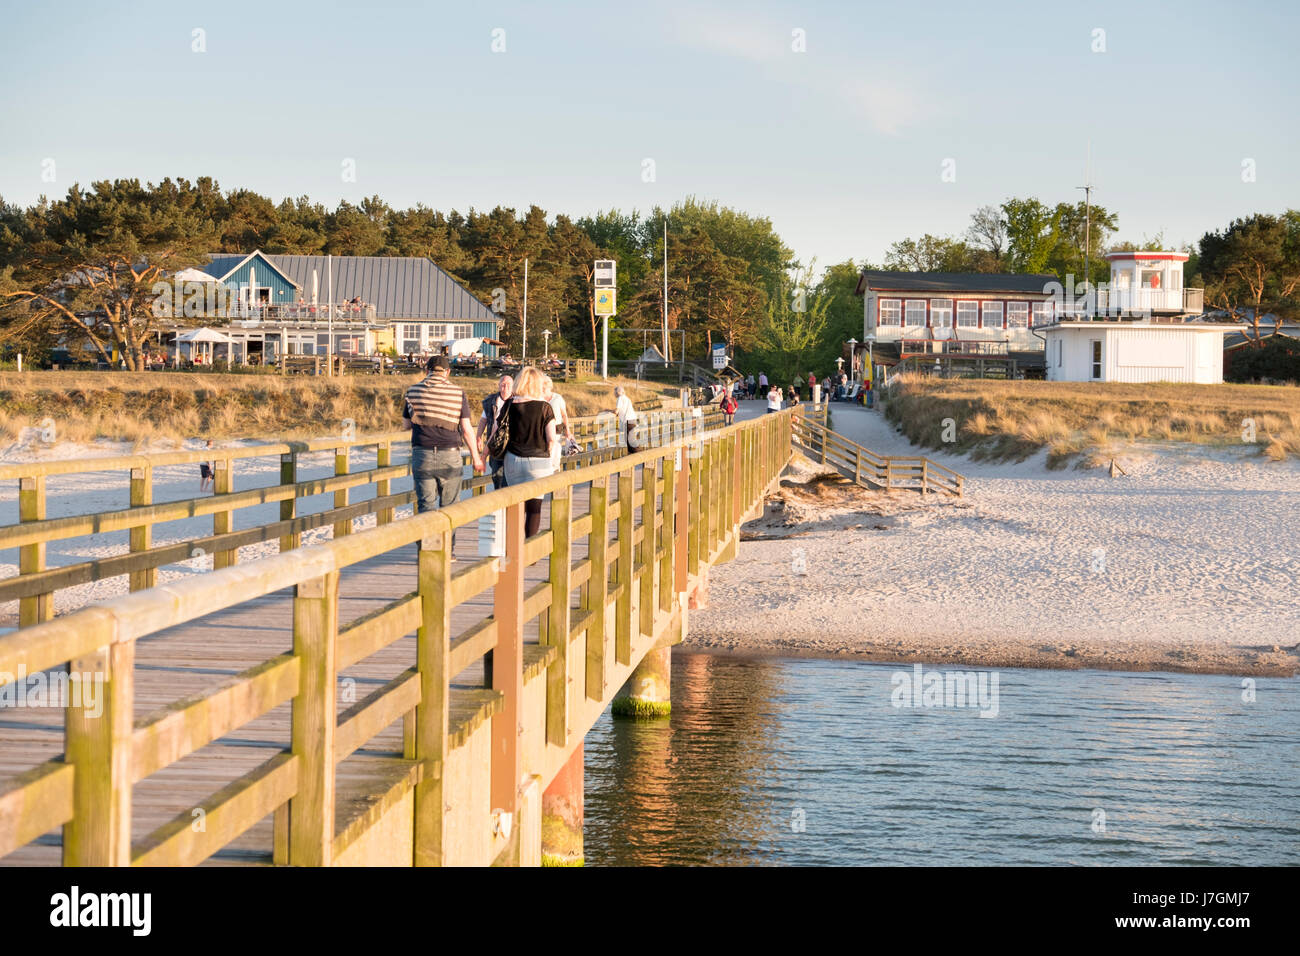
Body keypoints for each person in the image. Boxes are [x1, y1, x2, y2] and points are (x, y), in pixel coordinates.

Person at [403, 354, 483, 518]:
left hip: (422, 453)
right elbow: (466, 429)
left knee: (426, 506)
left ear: (427, 371)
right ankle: (448, 544)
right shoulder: (457, 393)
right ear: (447, 372)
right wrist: (476, 458)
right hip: (449, 454)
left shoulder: (413, 391)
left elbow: (406, 425)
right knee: (450, 508)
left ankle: (426, 544)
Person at [504, 366, 559, 538]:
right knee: (534, 509)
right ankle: (530, 551)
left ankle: (513, 550)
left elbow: (497, 432)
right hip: (538, 461)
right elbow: (551, 439)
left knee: (515, 507)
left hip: (512, 459)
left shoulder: (509, 405)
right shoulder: (545, 407)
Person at [476, 374, 513, 490]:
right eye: (503, 384)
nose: (505, 386)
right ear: (498, 385)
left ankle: (509, 504)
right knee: (497, 476)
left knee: (509, 478)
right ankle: (500, 503)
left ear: (513, 387)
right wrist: (478, 437)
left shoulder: (517, 400)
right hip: (495, 445)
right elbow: (483, 420)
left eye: (508, 384)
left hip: (512, 446)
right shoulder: (490, 401)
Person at [543, 375, 576, 462]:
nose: (542, 387)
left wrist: (567, 431)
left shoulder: (557, 398)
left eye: (544, 385)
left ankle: (555, 471)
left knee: (555, 452)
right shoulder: (539, 398)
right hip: (542, 430)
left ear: (549, 386)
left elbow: (564, 415)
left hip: (556, 429)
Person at [615, 384, 640, 451]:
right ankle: (636, 455)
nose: (614, 394)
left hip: (628, 421)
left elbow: (616, 411)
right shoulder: (627, 398)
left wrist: (607, 410)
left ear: (618, 392)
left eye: (615, 393)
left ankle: (637, 455)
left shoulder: (620, 398)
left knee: (630, 440)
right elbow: (624, 410)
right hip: (633, 420)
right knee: (630, 439)